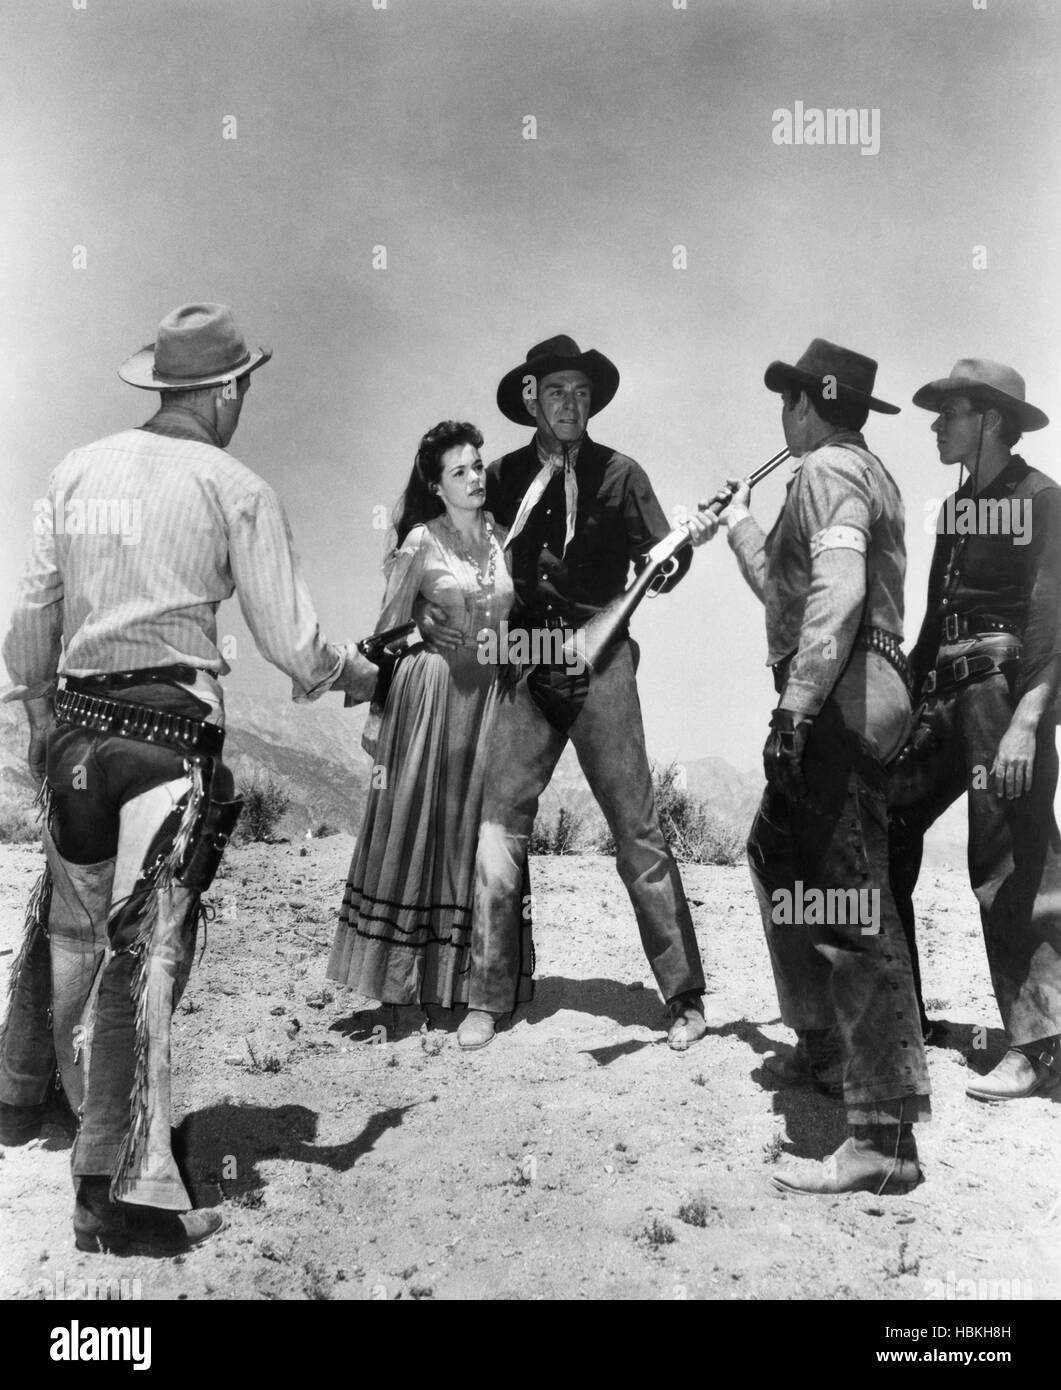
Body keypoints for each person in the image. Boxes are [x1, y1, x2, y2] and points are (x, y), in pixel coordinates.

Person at [0, 303, 378, 1253]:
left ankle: (19, 1099)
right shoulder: (235, 487)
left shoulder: (77, 470)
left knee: (71, 931)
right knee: (143, 969)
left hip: (80, 738)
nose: (243, 399)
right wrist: (353, 674)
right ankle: (114, 1200)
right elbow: (292, 645)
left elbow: (29, 621)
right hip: (168, 747)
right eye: (243, 386)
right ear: (222, 391)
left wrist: (44, 723)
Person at [421, 335, 711, 1053]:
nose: (570, 404)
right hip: (524, 664)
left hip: (601, 660)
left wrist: (680, 550)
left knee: (637, 831)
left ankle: (683, 998)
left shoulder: (622, 475)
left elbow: (660, 565)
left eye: (581, 393)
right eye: (556, 392)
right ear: (532, 399)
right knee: (498, 828)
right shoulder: (501, 476)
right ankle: (486, 997)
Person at [699, 339, 931, 1194]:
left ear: (804, 405)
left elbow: (834, 592)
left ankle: (883, 1143)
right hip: (840, 691)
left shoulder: (828, 470)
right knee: (776, 853)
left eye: (786, 400)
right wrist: (737, 525)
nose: (781, 415)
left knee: (850, 902)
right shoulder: (841, 470)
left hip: (839, 696)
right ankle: (824, 1045)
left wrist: (793, 709)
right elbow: (791, 592)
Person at [889, 359, 1061, 1102]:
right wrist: (906, 703)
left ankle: (1039, 1045)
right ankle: (898, 1015)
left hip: (1000, 694)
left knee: (1007, 859)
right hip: (943, 697)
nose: (935, 424)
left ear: (989, 420)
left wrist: (1027, 720)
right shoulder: (957, 507)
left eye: (949, 412)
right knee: (886, 823)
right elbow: (934, 621)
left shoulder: (1041, 498)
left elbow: (1052, 620)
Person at [328, 420, 534, 1012]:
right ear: (438, 486)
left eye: (477, 465)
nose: (475, 478)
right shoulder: (420, 540)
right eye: (459, 471)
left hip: (487, 697)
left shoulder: (502, 536)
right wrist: (417, 626)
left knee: (475, 832)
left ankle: (465, 982)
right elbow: (385, 630)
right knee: (421, 828)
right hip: (431, 695)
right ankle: (400, 985)